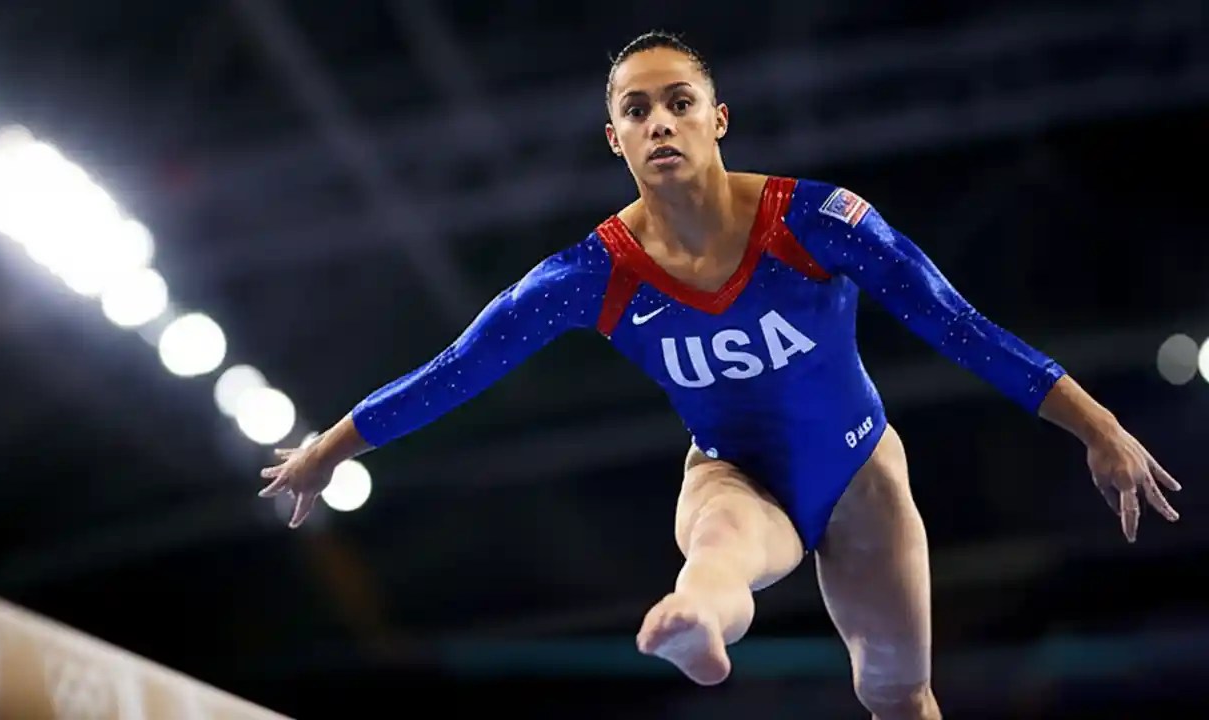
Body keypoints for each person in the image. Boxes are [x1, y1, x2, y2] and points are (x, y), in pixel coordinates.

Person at [258, 31, 1182, 719]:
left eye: (679, 100)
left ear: (717, 117)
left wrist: (1096, 426)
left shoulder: (814, 222)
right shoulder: (594, 274)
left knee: (898, 692)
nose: (659, 120)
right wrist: (331, 449)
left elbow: (958, 325)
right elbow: (458, 369)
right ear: (613, 138)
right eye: (636, 109)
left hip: (861, 470)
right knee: (717, 561)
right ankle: (695, 628)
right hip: (733, 474)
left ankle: (714, 623)